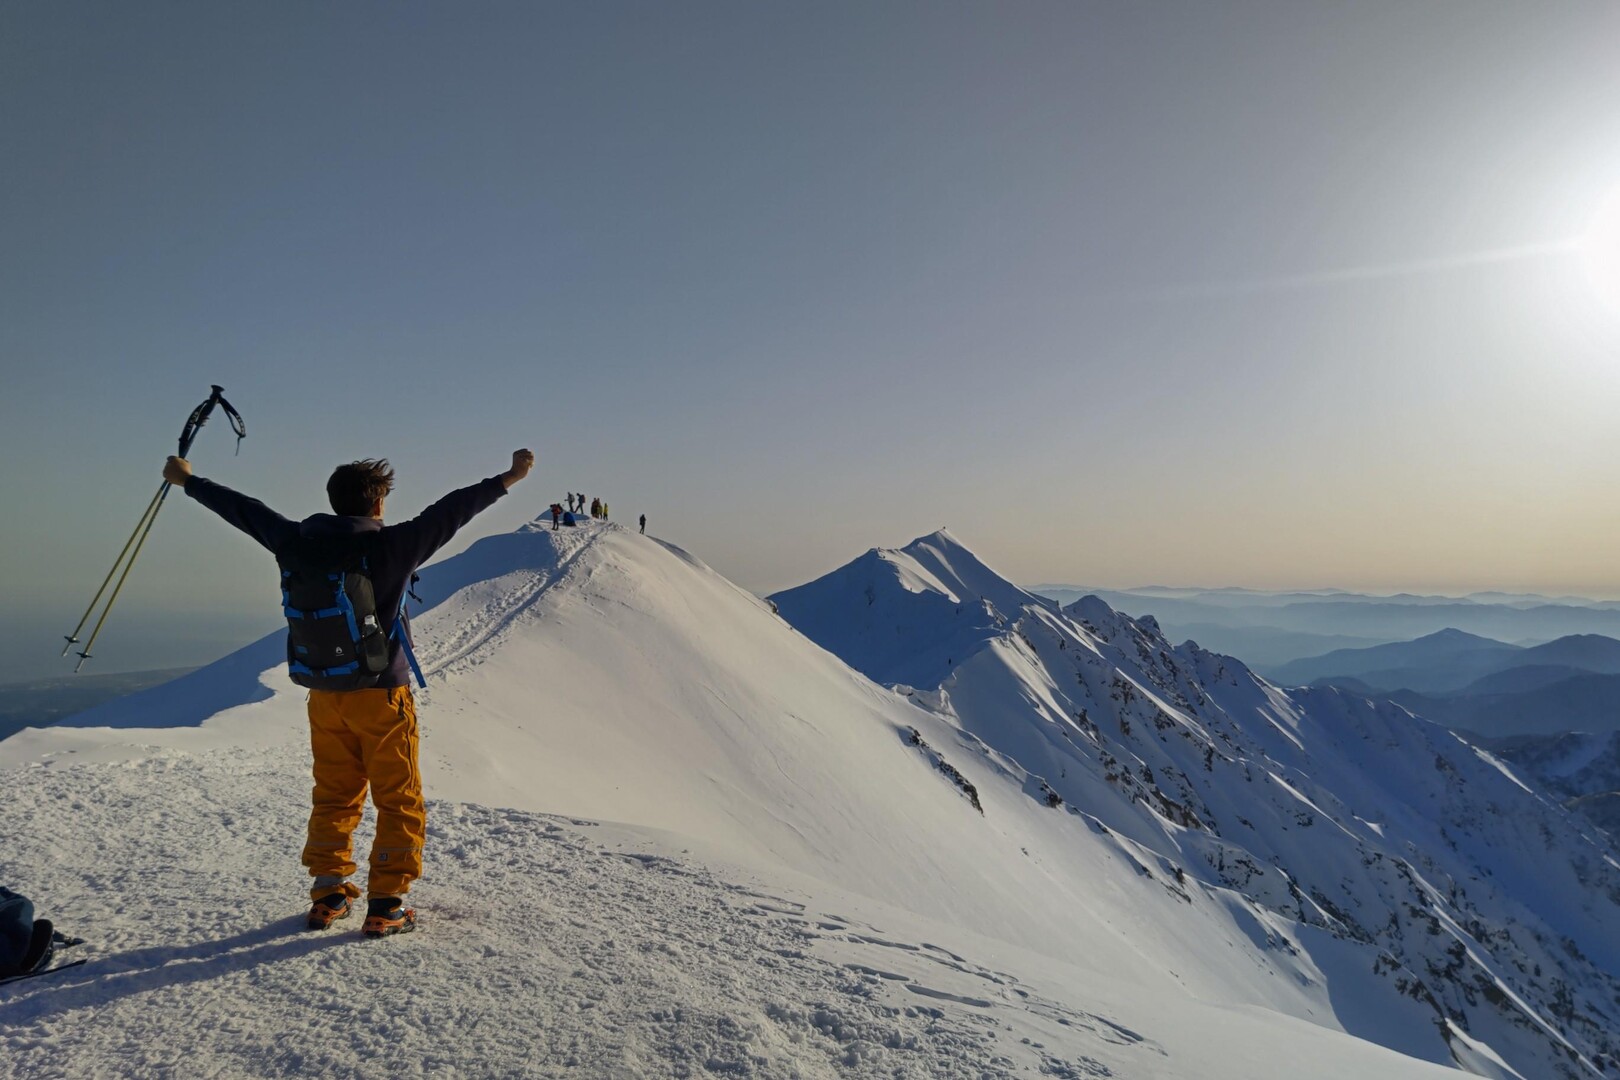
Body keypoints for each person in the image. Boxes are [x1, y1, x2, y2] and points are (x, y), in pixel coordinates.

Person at [163, 449, 535, 936]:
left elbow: (245, 511)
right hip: (381, 693)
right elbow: (452, 510)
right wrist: (511, 476)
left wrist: (188, 481)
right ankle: (387, 903)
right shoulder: (396, 545)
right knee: (398, 796)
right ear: (378, 503)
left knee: (335, 793)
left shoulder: (296, 541)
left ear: (333, 502)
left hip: (323, 691)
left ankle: (328, 894)